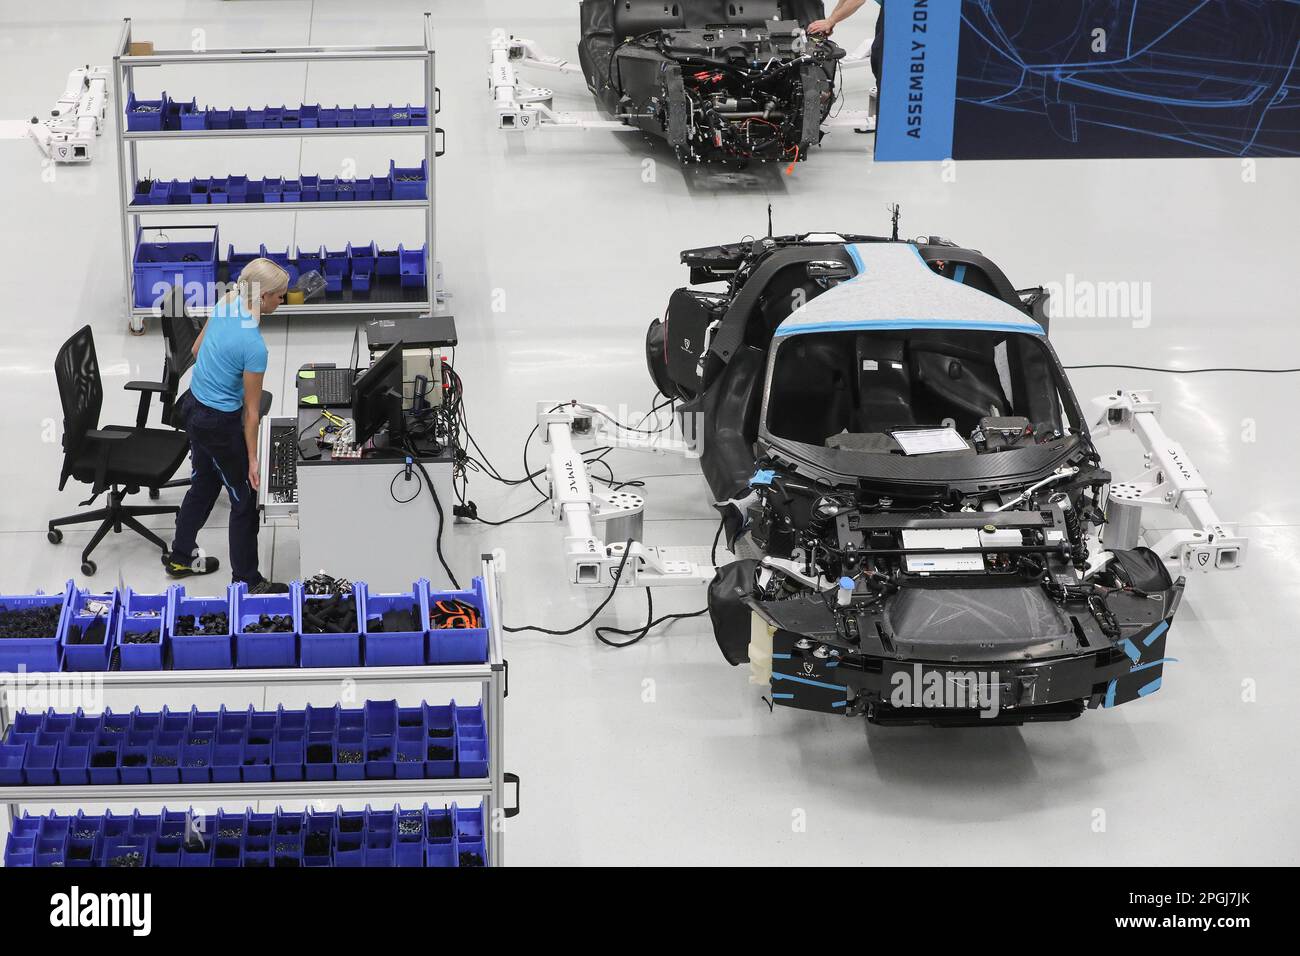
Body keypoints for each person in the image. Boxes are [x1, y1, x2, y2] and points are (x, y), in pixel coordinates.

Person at [166, 258, 289, 593]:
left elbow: (195, 348)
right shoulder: (253, 346)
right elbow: (251, 414)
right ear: (262, 297)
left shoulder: (225, 302)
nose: (284, 300)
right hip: (218, 423)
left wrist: (220, 373)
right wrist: (252, 460)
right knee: (244, 499)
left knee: (204, 482)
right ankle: (247, 581)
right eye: (280, 295)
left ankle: (180, 554)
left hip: (192, 406)